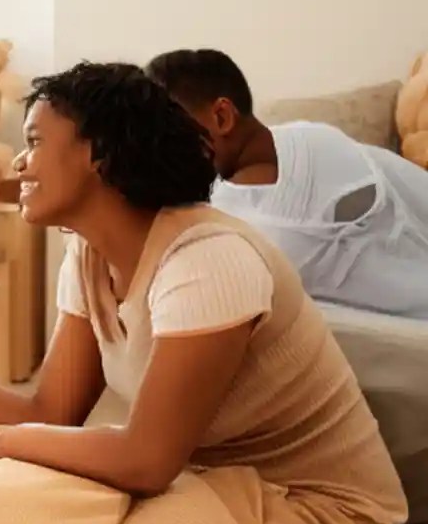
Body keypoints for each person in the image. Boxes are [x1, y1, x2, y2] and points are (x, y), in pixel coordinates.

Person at [0, 62, 407, 524]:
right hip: (194, 483)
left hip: (306, 512)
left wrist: (7, 462)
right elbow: (51, 413)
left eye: (35, 141)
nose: (19, 162)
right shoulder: (87, 256)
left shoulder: (207, 259)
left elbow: (145, 462)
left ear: (99, 152)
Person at [145, 48, 428, 320]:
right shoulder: (310, 136)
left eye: (171, 135)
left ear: (222, 117)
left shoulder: (246, 226)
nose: (163, 154)